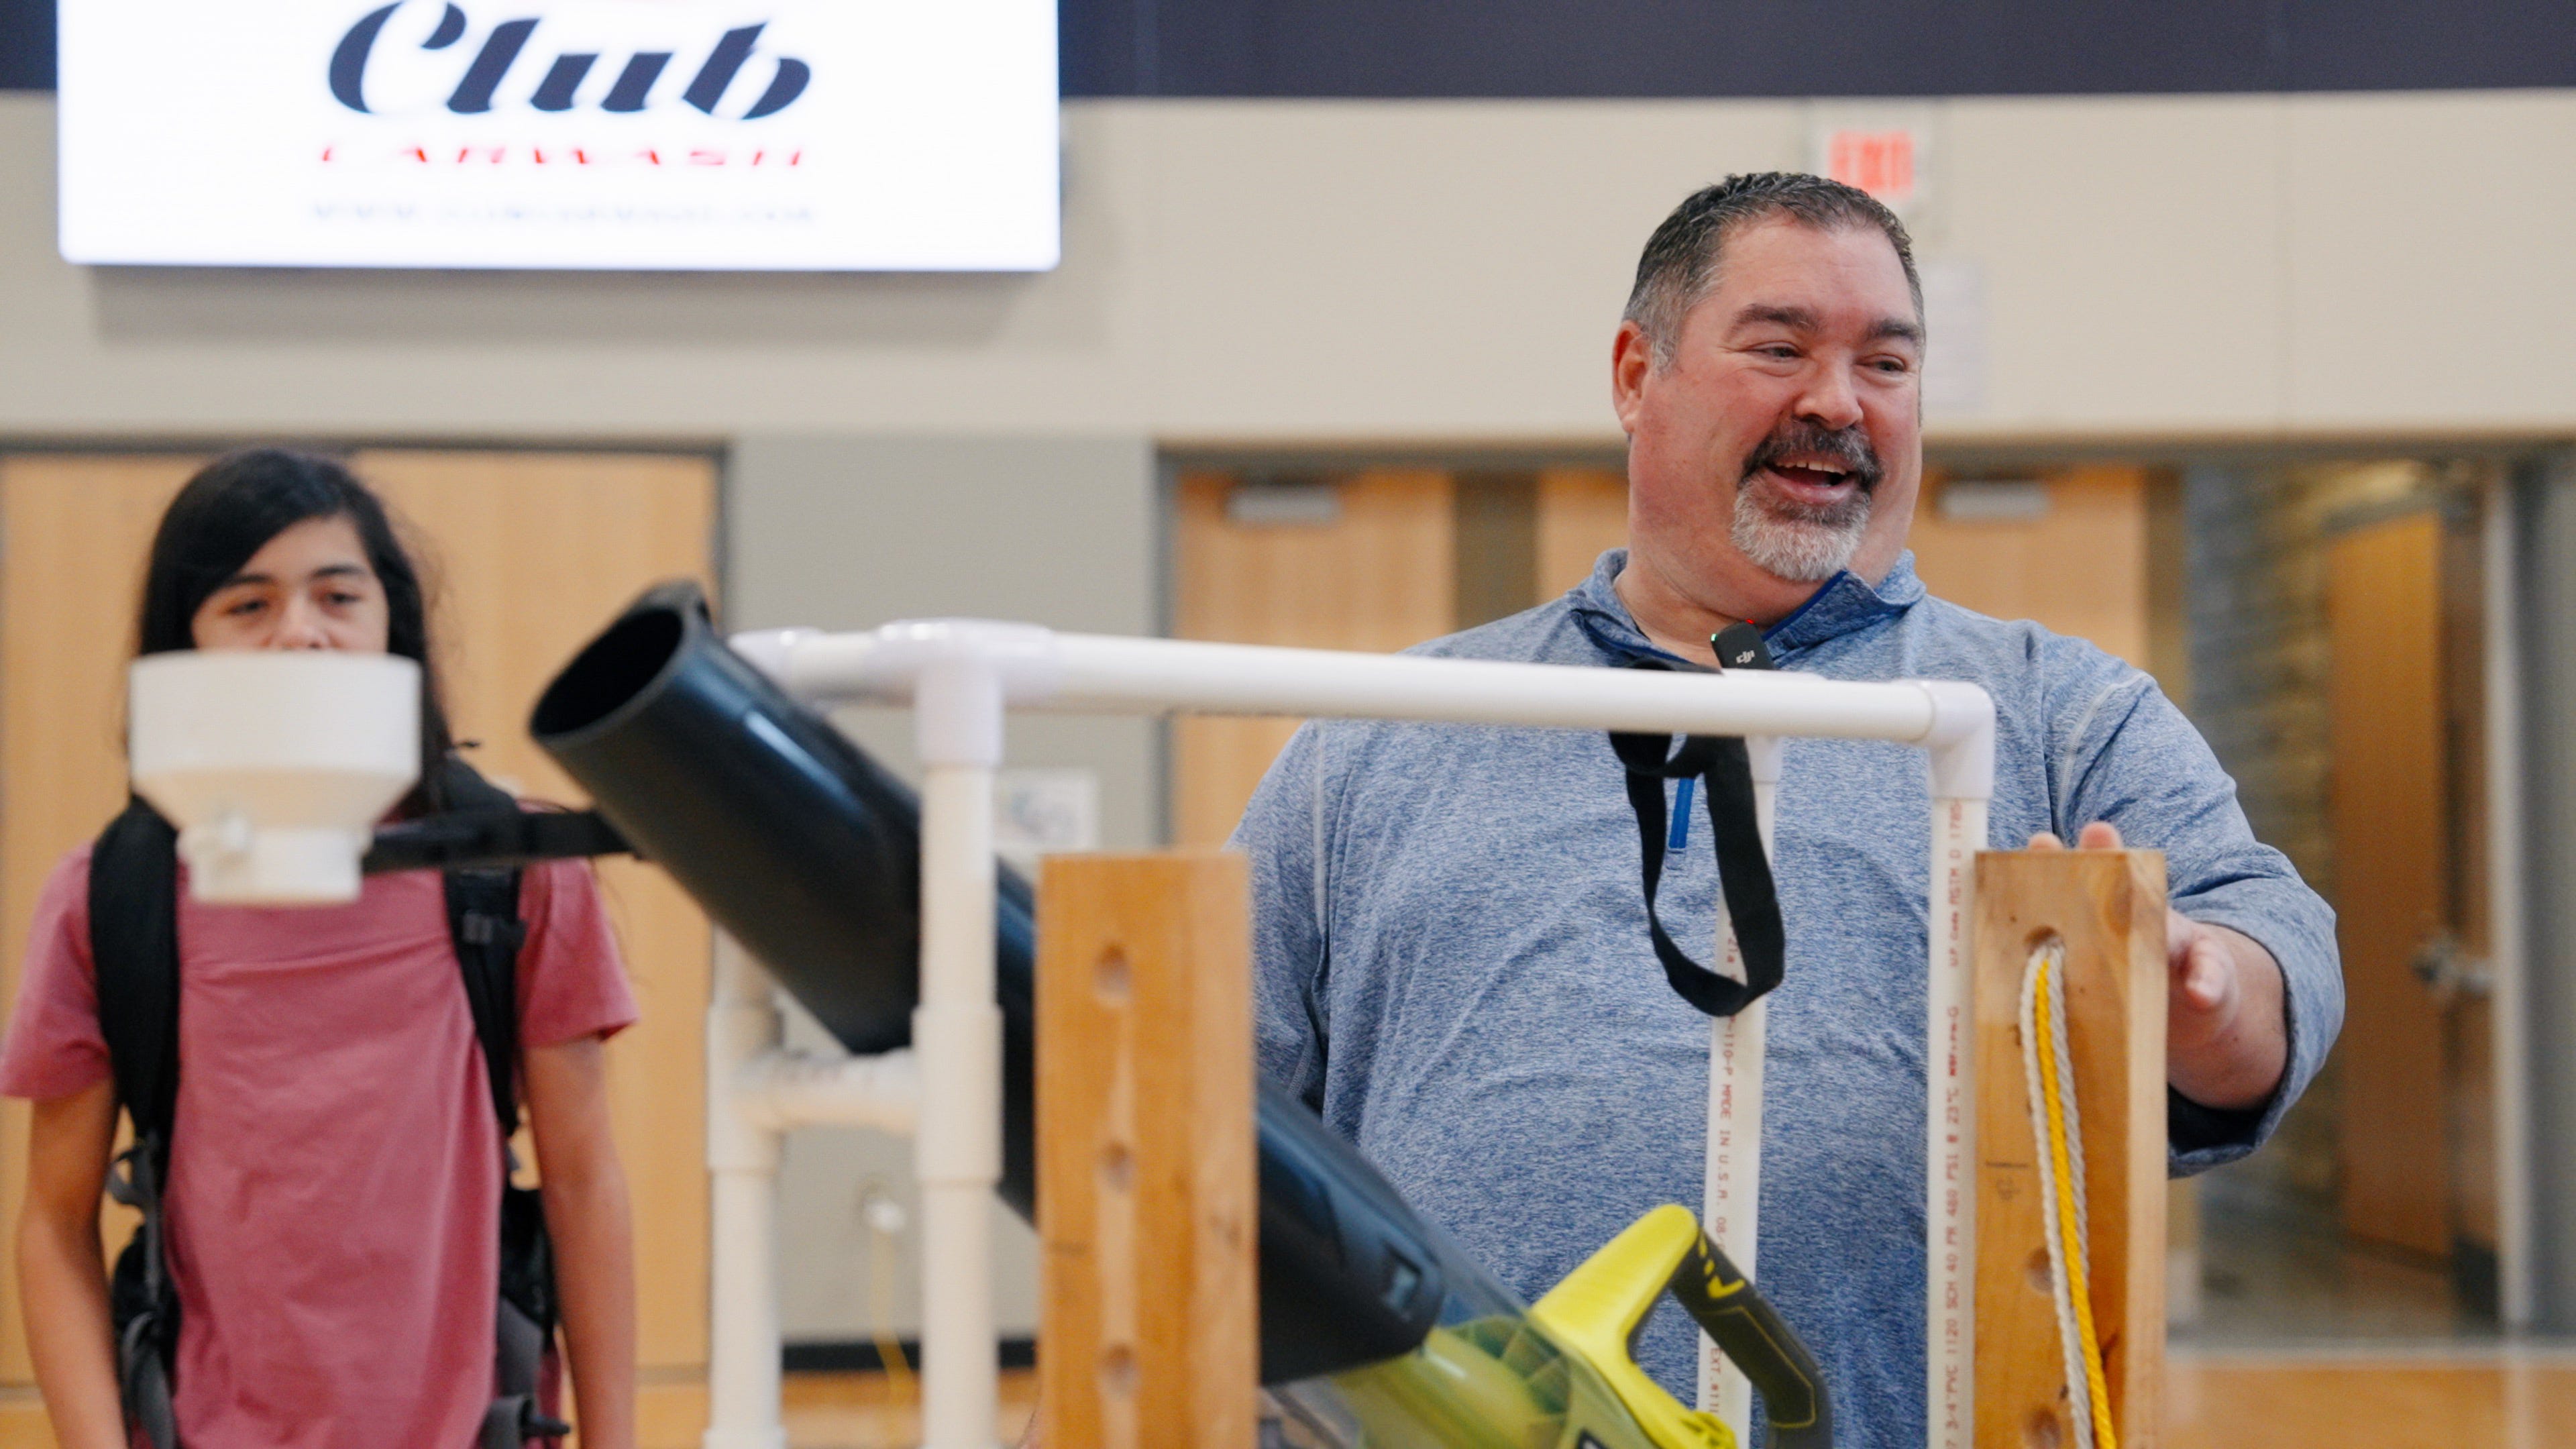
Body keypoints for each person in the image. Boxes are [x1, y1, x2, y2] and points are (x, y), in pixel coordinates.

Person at [1232, 174, 2340, 1448]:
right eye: (1780, 348)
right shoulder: (1384, 731)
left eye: (1886, 362)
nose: (1837, 401)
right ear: (1637, 375)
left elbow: (2272, 944)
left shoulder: (2056, 711)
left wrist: (2206, 986)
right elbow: (1209, 1122)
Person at [2, 450, 641, 1449]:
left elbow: (584, 1182)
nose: (301, 633)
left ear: (392, 626)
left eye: (338, 597)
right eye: (247, 605)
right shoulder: (110, 897)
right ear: (182, 648)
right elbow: (53, 1222)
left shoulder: (513, 870)